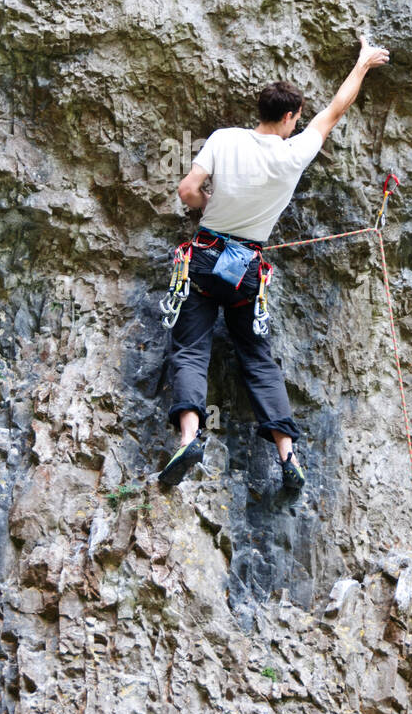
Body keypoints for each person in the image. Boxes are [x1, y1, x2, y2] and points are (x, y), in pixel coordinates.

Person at [159, 35, 390, 491]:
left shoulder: (224, 139)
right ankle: (287, 452)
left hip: (204, 258)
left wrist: (207, 205)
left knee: (190, 350)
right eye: (297, 118)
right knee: (258, 360)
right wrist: (362, 63)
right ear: (289, 117)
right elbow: (336, 109)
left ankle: (189, 436)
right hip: (248, 270)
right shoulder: (293, 154)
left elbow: (187, 190)